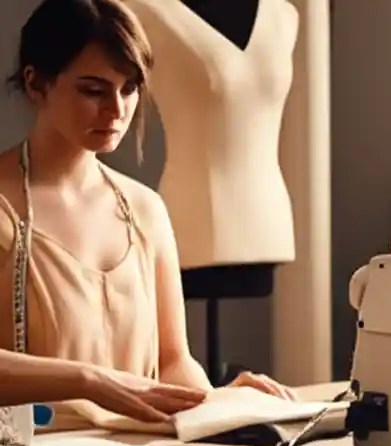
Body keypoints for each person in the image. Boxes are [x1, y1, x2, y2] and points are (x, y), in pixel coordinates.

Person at [0, 0, 296, 404]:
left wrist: (218, 402)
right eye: (93, 90)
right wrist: (92, 382)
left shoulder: (144, 210)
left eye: (130, 89)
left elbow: (173, 362)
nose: (116, 110)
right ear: (36, 84)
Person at [0, 348, 205, 422]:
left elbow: (173, 360)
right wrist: (86, 380)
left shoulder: (150, 248)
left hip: (137, 443)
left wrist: (217, 408)